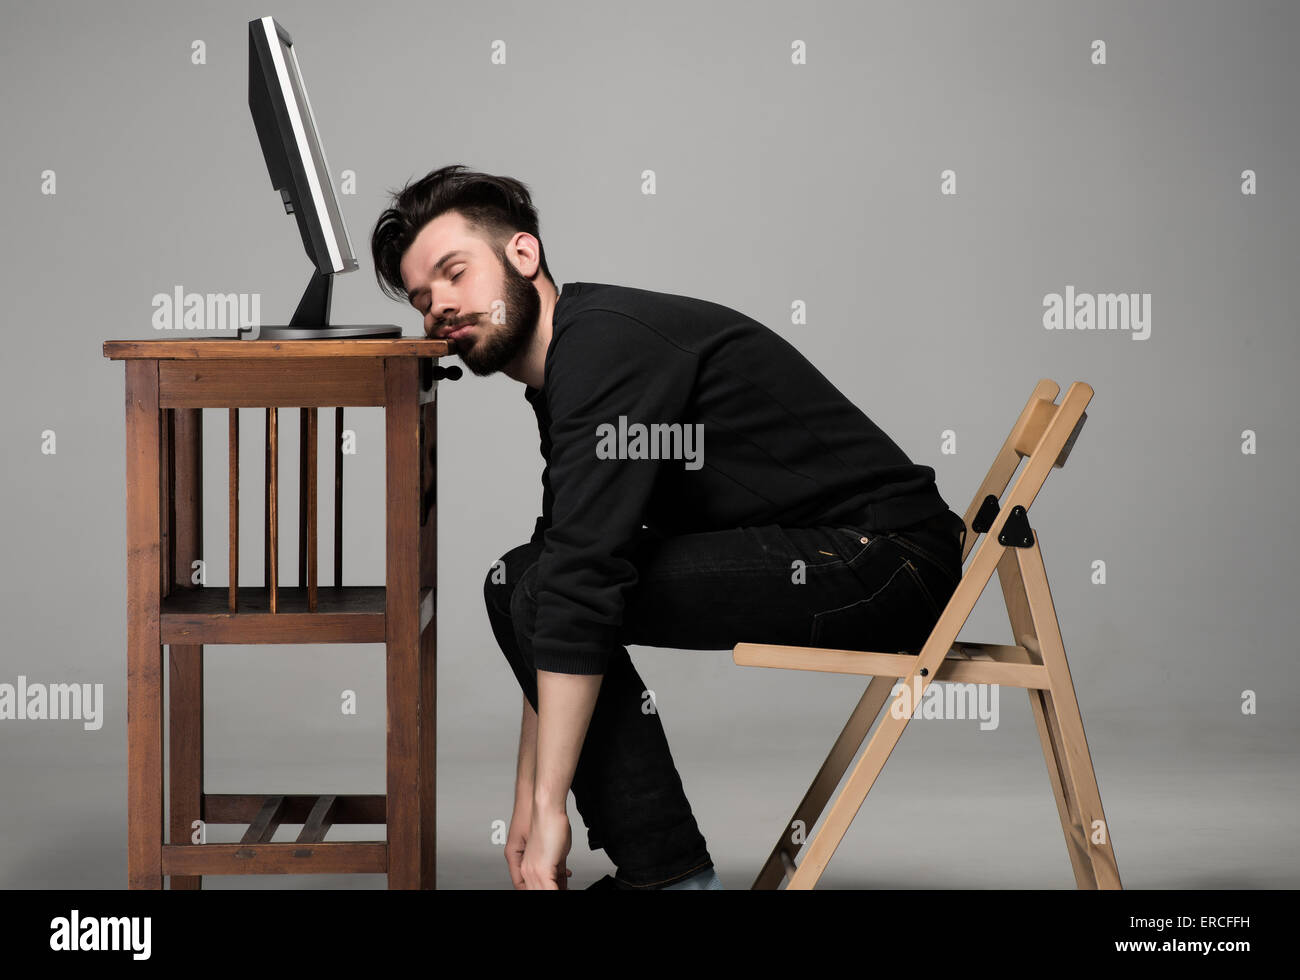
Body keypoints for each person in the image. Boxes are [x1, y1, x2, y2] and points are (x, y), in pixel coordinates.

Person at [370, 164, 966, 891]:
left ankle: (667, 877)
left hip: (886, 559)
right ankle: (667, 873)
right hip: (846, 548)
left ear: (522, 256)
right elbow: (560, 569)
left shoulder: (603, 349)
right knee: (520, 580)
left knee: (547, 585)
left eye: (454, 274)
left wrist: (550, 804)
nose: (440, 310)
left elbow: (579, 581)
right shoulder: (572, 367)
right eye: (424, 299)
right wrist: (528, 797)